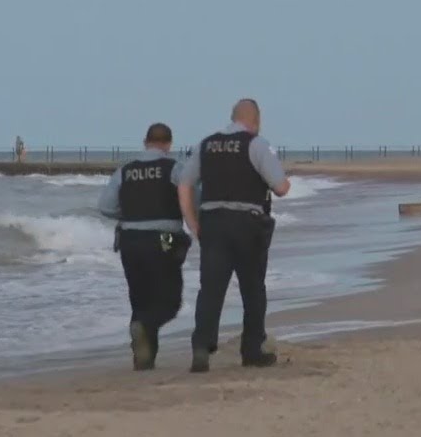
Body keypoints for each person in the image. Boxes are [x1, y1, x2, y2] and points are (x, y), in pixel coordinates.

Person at [179, 98, 290, 373]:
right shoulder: (257, 144)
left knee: (211, 289)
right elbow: (281, 187)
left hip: (213, 223)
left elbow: (184, 184)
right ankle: (252, 350)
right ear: (256, 120)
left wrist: (192, 223)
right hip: (247, 224)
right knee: (252, 289)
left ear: (231, 117)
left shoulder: (205, 145)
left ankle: (202, 347)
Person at [98, 123, 192, 370]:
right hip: (164, 239)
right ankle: (146, 328)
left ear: (145, 141)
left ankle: (144, 358)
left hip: (130, 240)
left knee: (139, 299)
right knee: (170, 299)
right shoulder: (175, 168)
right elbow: (189, 200)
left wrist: (131, 213)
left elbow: (106, 207)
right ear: (169, 144)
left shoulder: (125, 170)